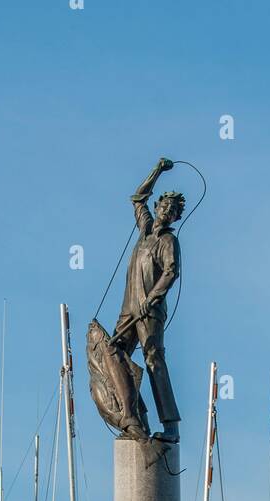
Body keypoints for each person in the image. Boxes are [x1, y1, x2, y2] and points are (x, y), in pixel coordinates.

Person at [108, 156, 185, 443]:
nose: (167, 211)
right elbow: (138, 198)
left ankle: (171, 425)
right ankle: (133, 414)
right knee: (114, 353)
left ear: (176, 217)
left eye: (173, 210)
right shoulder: (144, 231)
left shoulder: (168, 241)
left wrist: (151, 299)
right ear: (157, 208)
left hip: (149, 309)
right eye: (164, 206)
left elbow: (171, 272)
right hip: (129, 307)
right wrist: (156, 171)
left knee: (154, 359)